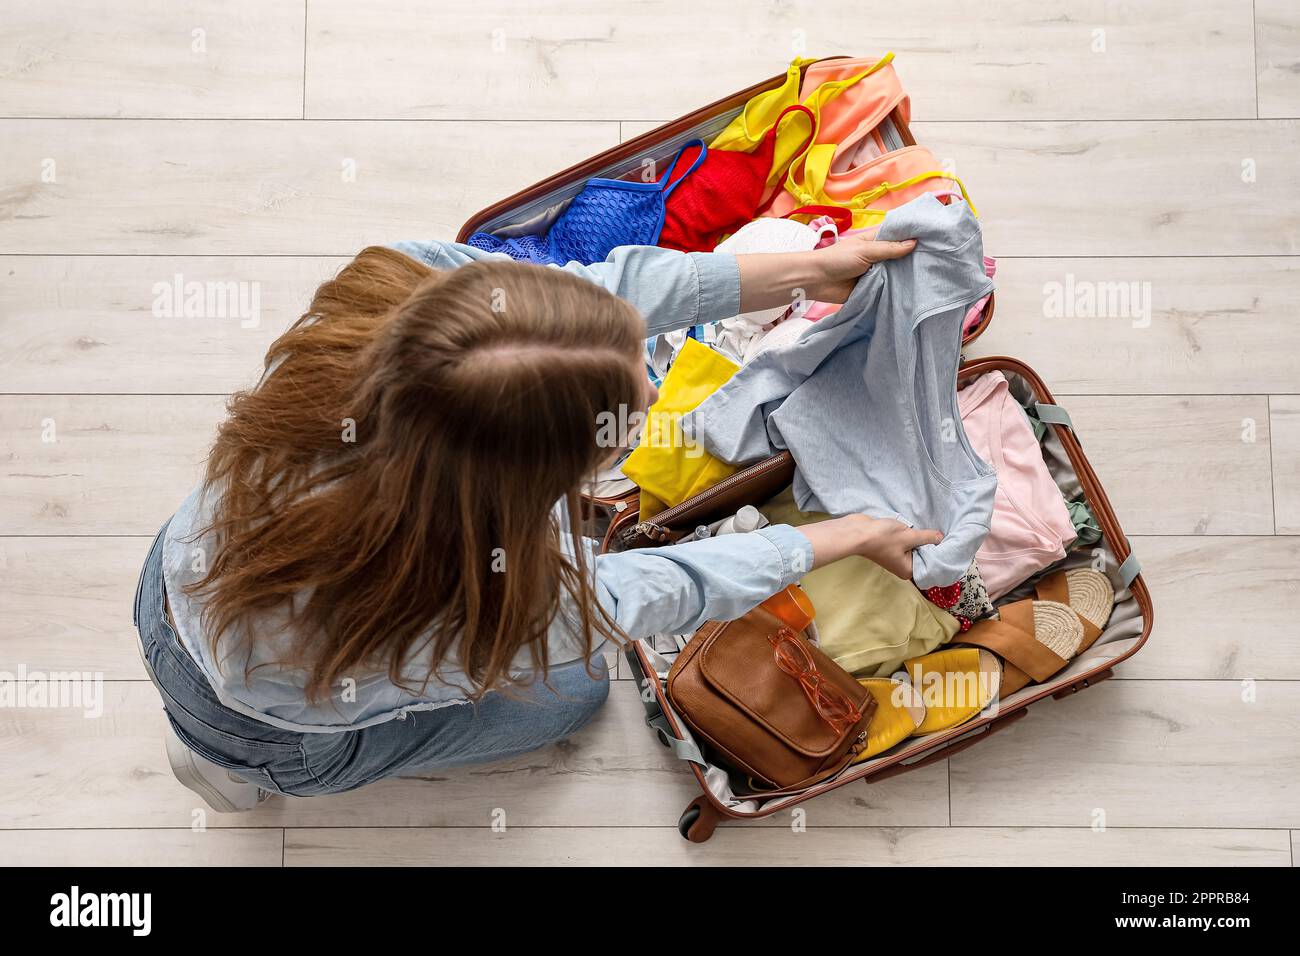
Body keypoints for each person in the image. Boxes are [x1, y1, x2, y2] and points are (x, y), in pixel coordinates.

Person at [132, 232, 935, 811]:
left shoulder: (399, 293)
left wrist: (808, 271)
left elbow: (594, 292)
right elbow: (656, 591)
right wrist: (846, 535)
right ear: (528, 486)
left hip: (183, 575)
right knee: (575, 696)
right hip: (266, 719)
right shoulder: (495, 608)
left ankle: (218, 735)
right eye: (630, 412)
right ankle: (227, 765)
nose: (654, 394)